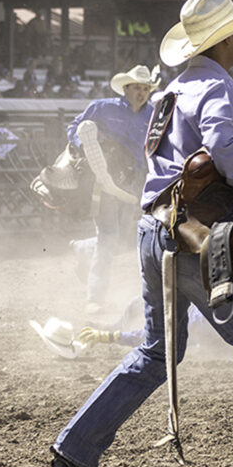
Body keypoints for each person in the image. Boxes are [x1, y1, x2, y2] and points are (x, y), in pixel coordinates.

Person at [50, 0, 233, 467]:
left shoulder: (170, 90)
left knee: (156, 351)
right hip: (196, 236)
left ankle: (76, 451)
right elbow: (222, 143)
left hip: (155, 228)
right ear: (226, 38)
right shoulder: (219, 84)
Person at [66, 65, 159, 318]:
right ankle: (94, 297)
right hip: (102, 181)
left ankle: (84, 248)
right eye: (137, 88)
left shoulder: (152, 115)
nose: (141, 93)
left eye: (145, 88)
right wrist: (84, 144)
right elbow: (75, 128)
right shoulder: (103, 107)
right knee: (109, 237)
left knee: (118, 239)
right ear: (126, 89)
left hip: (133, 184)